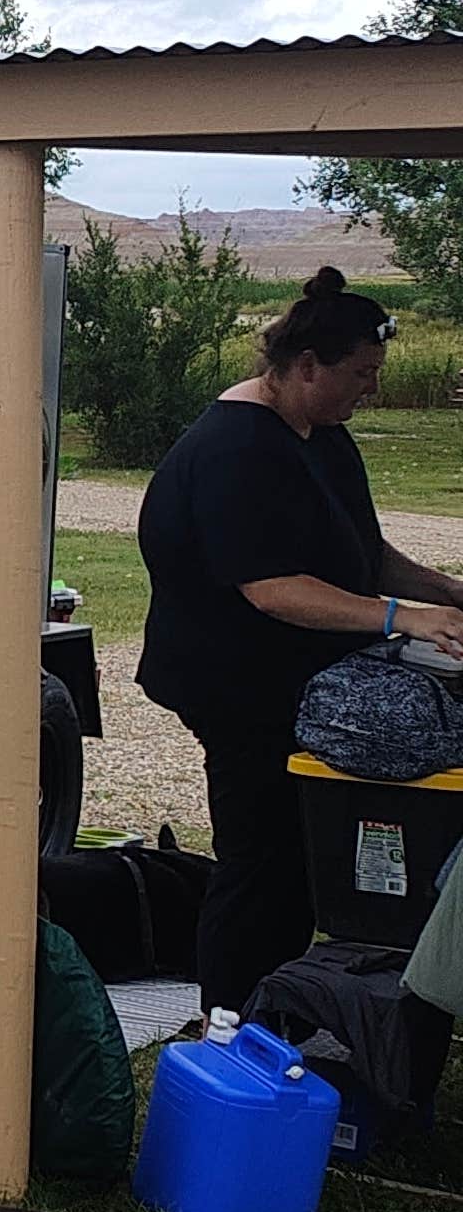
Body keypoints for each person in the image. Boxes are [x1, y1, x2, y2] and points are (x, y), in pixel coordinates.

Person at [138, 267, 463, 1011]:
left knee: (301, 858)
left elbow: (362, 550)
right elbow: (273, 587)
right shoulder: (236, 450)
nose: (371, 390)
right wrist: (399, 618)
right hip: (237, 687)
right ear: (306, 366)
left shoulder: (319, 432)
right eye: (361, 374)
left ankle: (283, 1003)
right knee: (259, 859)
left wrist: (445, 593)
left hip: (300, 686)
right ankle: (227, 1018)